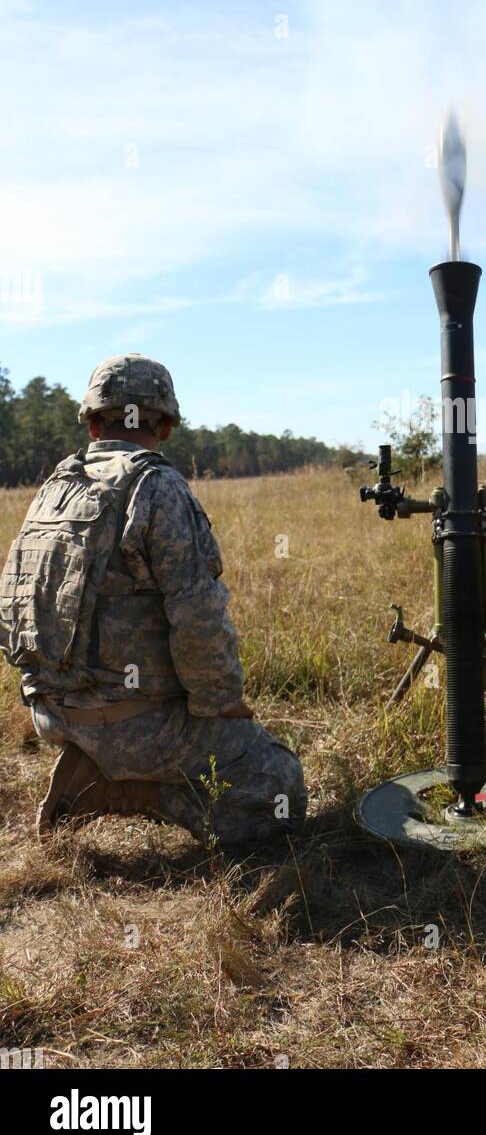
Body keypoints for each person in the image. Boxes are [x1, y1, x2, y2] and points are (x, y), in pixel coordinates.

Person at [0, 353, 307, 845]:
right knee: (280, 791)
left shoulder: (54, 488)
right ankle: (126, 789)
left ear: (93, 424)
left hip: (49, 710)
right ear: (164, 427)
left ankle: (97, 761)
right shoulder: (158, 486)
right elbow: (199, 617)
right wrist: (219, 702)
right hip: (133, 724)